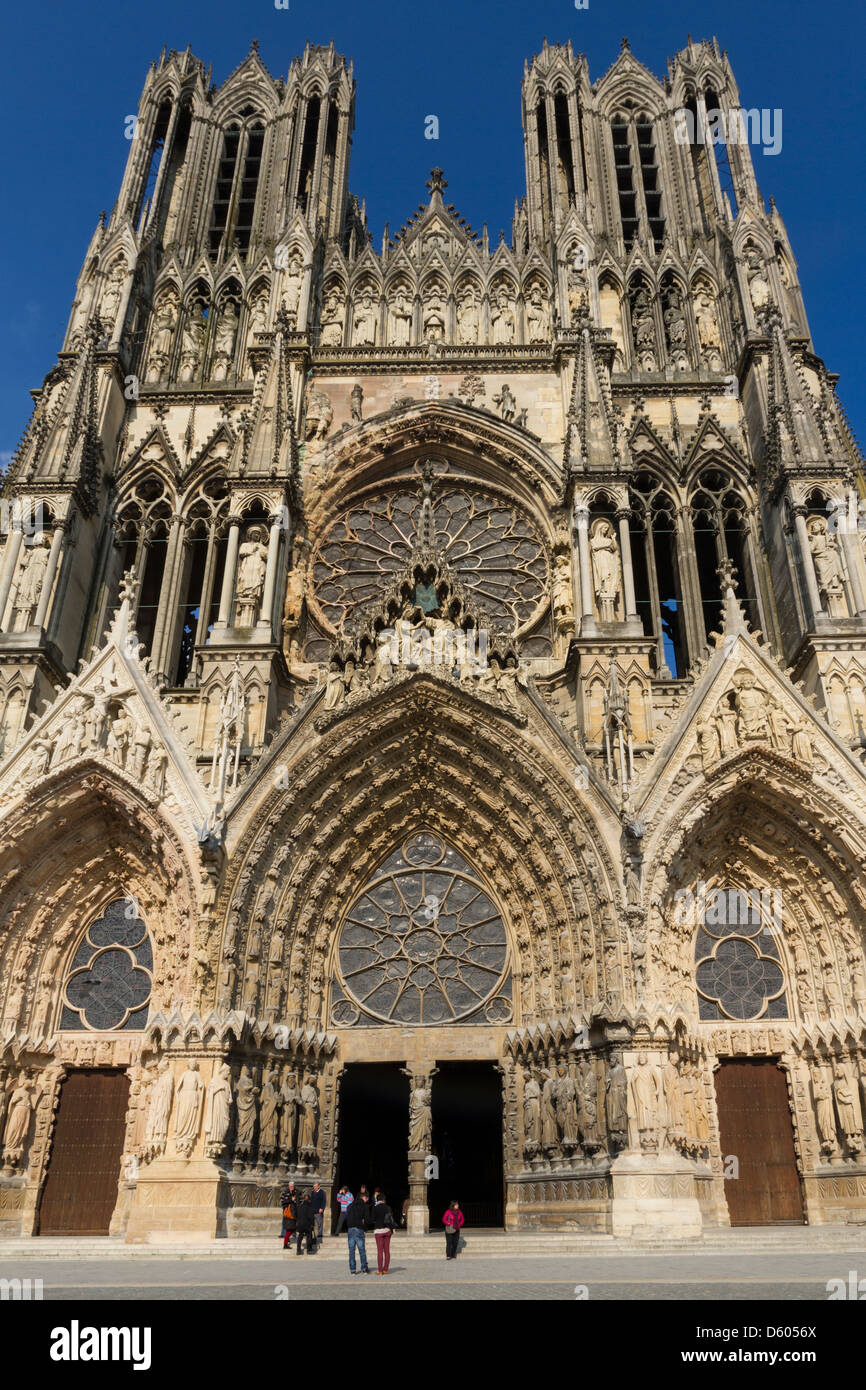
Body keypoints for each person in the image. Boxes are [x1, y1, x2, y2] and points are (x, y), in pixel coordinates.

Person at [345, 1191, 371, 1275]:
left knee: (351, 1250)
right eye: (367, 1199)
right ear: (364, 1197)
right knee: (361, 1250)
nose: (366, 1201)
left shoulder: (350, 1206)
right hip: (359, 1228)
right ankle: (364, 1268)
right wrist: (365, 1228)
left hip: (350, 1229)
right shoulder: (364, 1206)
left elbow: (346, 1217)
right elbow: (367, 1220)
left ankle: (352, 1270)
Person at [371, 1191, 396, 1276]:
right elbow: (391, 1218)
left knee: (380, 1251)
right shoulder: (388, 1207)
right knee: (387, 1251)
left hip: (378, 1231)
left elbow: (372, 1219)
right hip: (387, 1230)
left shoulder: (375, 1208)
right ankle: (385, 1269)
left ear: (377, 1200)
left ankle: (380, 1270)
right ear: (384, 1199)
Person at [295, 1191, 316, 1255]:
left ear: (304, 1199)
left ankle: (298, 1250)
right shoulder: (310, 1207)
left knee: (300, 1236)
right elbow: (311, 1216)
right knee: (309, 1236)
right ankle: (309, 1249)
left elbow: (297, 1215)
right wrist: (312, 1224)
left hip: (300, 1224)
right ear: (309, 1199)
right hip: (307, 1224)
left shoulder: (300, 1206)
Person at [281, 1183, 298, 1252]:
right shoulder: (285, 1192)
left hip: (293, 1214)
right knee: (289, 1229)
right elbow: (283, 1202)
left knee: (292, 1228)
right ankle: (285, 1243)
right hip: (288, 1214)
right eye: (290, 1186)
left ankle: (286, 1239)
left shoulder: (296, 1192)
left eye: (293, 1186)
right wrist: (291, 1200)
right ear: (288, 1186)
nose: (292, 1187)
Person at [309, 1180, 326, 1247]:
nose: (315, 1188)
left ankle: (319, 1238)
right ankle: (313, 1238)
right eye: (314, 1187)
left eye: (316, 1186)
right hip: (312, 1211)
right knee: (312, 1225)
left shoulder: (322, 1192)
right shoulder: (312, 1192)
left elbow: (324, 1201)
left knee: (319, 1224)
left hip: (319, 1211)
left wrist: (322, 1208)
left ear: (319, 1186)